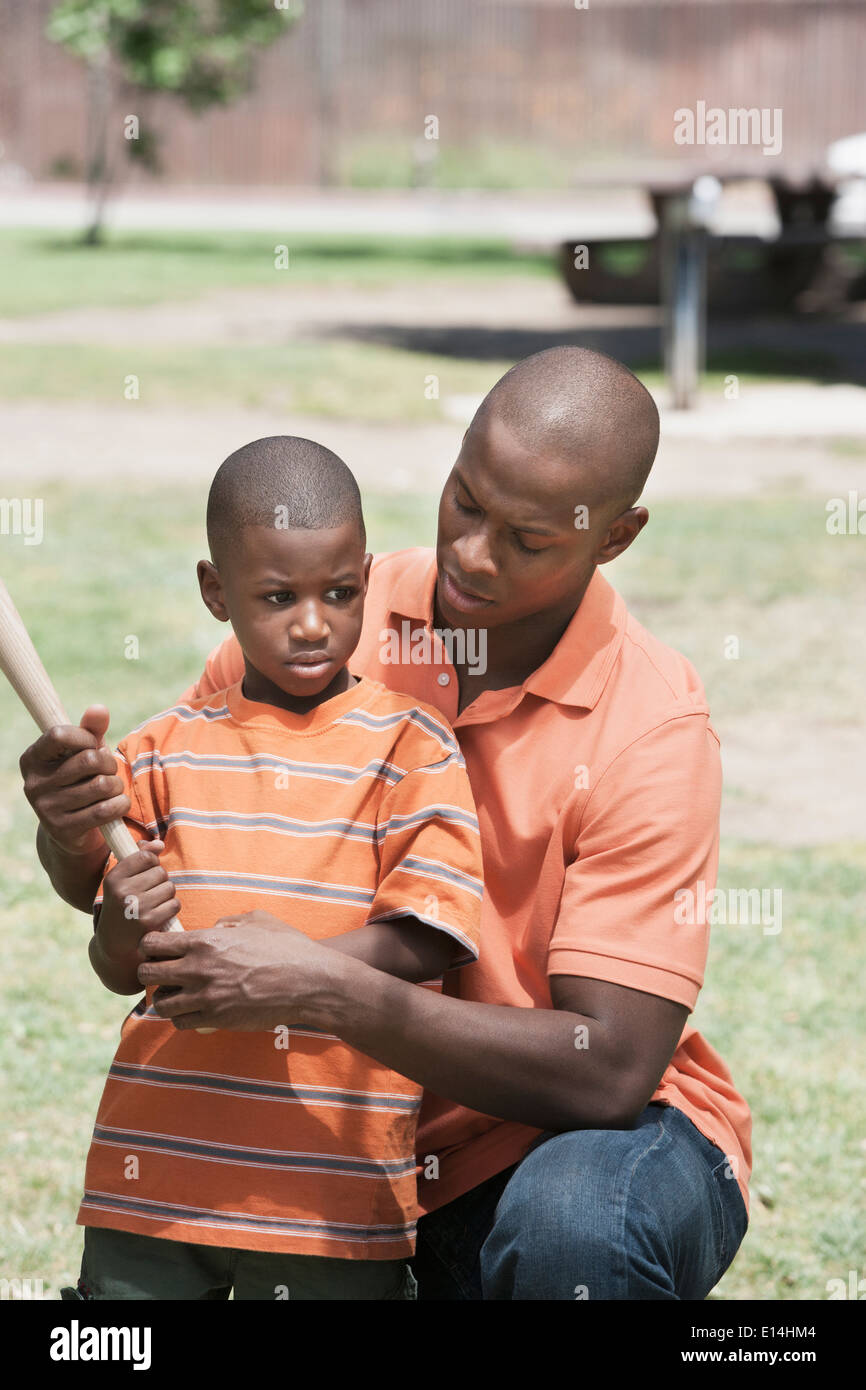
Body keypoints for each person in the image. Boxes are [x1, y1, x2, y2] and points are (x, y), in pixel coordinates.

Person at [23, 346, 751, 1301]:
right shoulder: (336, 605)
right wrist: (72, 829)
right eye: (465, 500)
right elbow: (141, 890)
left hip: (568, 1142)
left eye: (527, 540)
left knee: (573, 1232)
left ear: (615, 536)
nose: (471, 555)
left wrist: (326, 990)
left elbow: (605, 1070)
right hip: (354, 1151)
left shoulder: (653, 728)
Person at [56, 436, 484, 1300]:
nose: (314, 622)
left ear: (366, 576)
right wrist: (118, 924)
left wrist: (285, 976)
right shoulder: (160, 752)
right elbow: (115, 967)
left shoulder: (411, 747)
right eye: (278, 596)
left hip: (330, 1191)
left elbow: (423, 942)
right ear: (217, 592)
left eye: (339, 592)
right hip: (155, 1184)